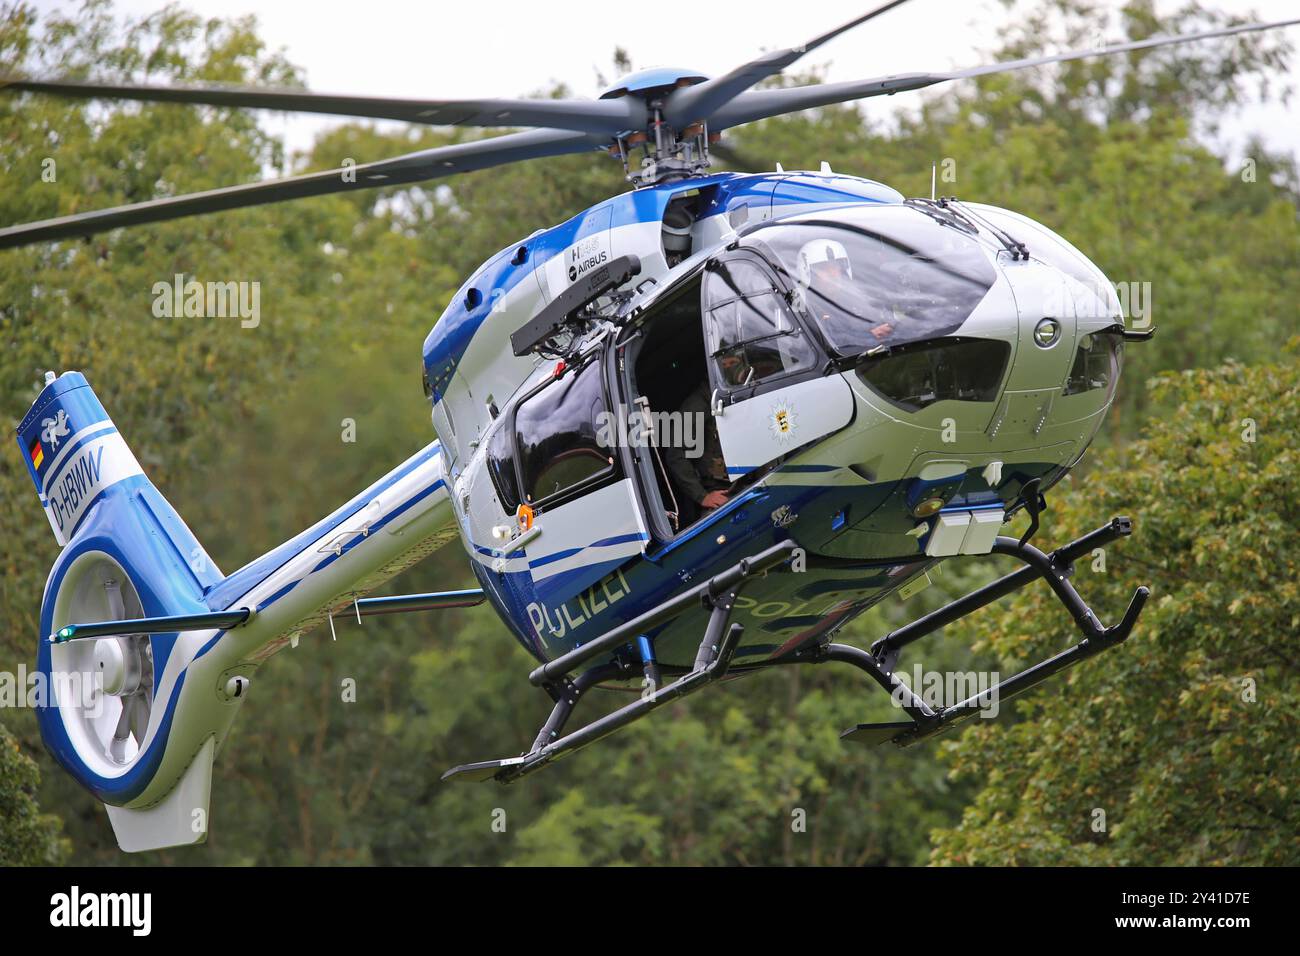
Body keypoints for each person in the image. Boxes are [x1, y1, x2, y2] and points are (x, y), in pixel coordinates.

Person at [663, 379, 731, 521]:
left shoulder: (731, 391)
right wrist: (702, 496)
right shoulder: (697, 405)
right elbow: (675, 455)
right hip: (722, 488)